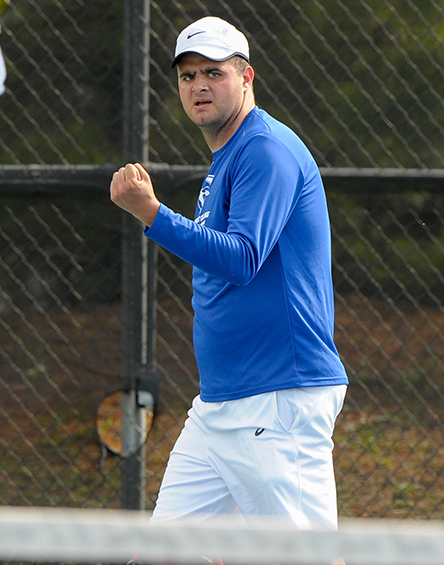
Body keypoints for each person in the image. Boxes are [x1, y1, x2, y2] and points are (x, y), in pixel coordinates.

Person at [109, 15, 349, 531]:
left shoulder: (265, 151)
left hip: (277, 400)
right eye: (188, 76)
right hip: (222, 405)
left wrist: (153, 213)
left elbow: (241, 259)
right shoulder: (229, 158)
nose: (198, 86)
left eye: (213, 73)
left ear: (247, 78)